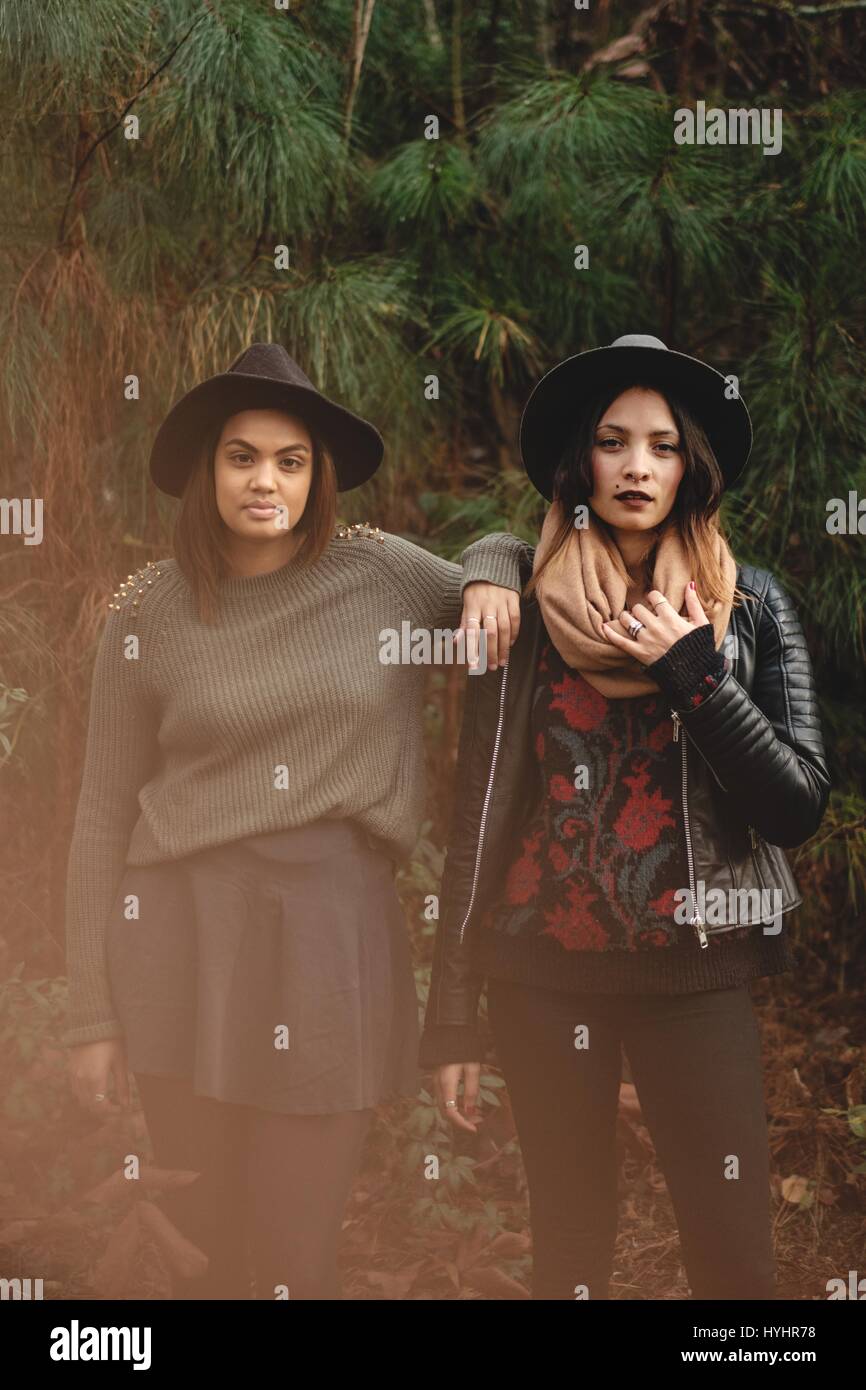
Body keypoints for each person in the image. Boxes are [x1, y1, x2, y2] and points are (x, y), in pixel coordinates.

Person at [64, 341, 523, 1300]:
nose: (265, 480)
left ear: (317, 478)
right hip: (178, 937)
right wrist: (91, 1012)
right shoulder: (144, 610)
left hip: (327, 936)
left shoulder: (383, 576)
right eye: (242, 456)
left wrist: (485, 568)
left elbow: (510, 563)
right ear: (207, 469)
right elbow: (104, 813)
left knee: (295, 1255)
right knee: (201, 1250)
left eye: (291, 460)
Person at [419, 333, 830, 1301]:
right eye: (611, 442)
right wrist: (449, 1016)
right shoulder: (518, 609)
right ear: (579, 463)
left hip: (694, 969)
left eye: (660, 444)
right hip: (538, 974)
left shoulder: (752, 605)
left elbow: (795, 802)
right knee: (570, 1252)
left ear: (691, 464)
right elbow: (475, 814)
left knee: (732, 1258)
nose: (636, 466)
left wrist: (695, 670)